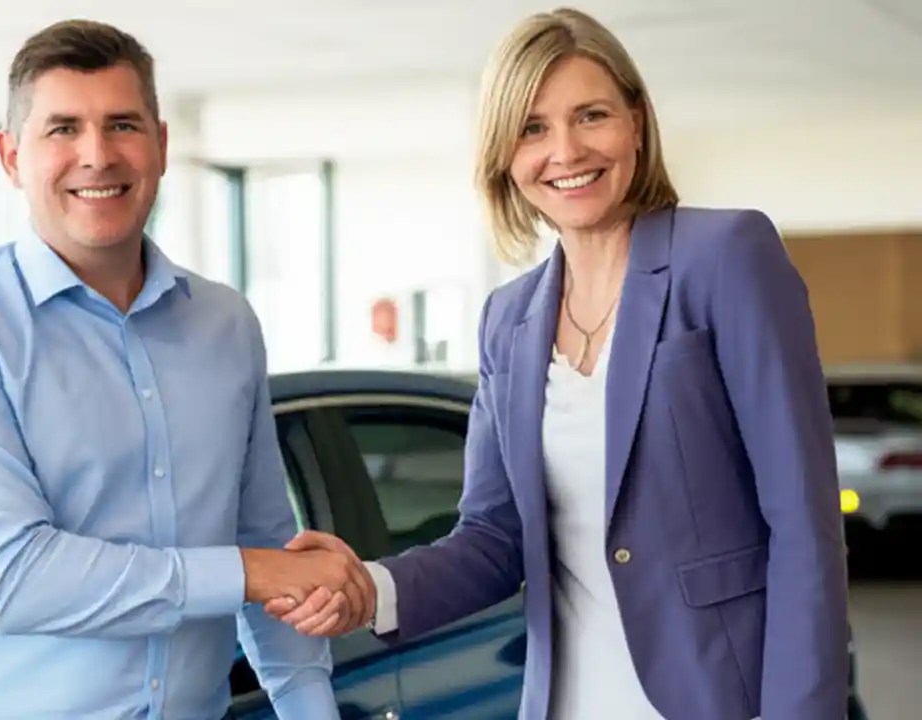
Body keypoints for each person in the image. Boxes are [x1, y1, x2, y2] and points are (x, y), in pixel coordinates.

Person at [266, 7, 850, 720]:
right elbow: (492, 540)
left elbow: (802, 519)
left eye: (592, 115)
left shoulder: (726, 255)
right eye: (533, 128)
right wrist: (369, 588)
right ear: (505, 156)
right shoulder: (507, 320)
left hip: (715, 698)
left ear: (635, 121)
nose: (566, 151)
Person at [0, 19, 363, 720]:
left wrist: (309, 705)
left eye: (122, 125)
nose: (97, 155)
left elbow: (266, 540)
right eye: (62, 129)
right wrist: (252, 573)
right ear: (11, 157)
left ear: (161, 145)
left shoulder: (226, 325)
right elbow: (14, 579)